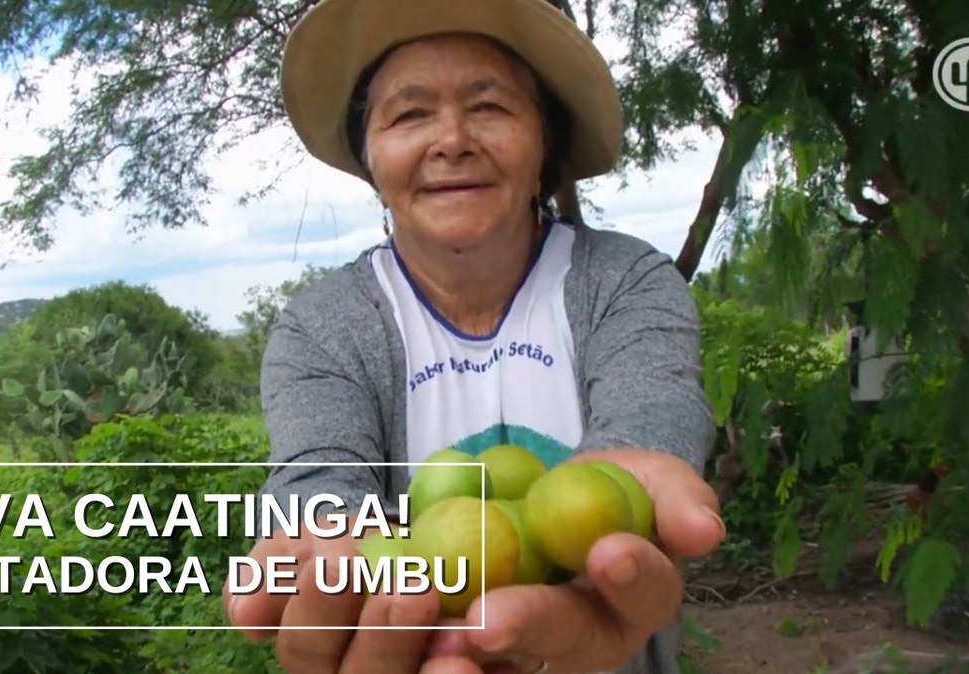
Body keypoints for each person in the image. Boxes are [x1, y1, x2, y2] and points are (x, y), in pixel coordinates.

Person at [222, 0, 726, 672]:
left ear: (544, 142)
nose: (452, 139)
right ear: (369, 157)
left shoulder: (624, 280)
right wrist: (327, 533)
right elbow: (319, 475)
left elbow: (653, 412)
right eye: (409, 114)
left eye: (489, 107)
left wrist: (614, 494)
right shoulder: (323, 326)